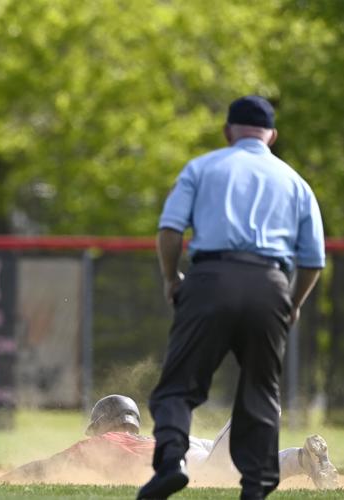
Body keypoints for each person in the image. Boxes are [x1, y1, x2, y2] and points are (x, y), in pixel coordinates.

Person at [137, 96, 325, 499]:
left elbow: (170, 231)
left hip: (209, 278)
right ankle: (255, 486)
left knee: (177, 387)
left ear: (228, 132)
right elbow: (313, 259)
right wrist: (292, 304)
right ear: (271, 136)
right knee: (261, 390)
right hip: (269, 282)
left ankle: (171, 462)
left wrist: (172, 280)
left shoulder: (203, 168)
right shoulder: (295, 182)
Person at [0, 395, 338, 489]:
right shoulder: (144, 438)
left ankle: (262, 402)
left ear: (103, 424)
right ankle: (299, 459)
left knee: (223, 475)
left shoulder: (105, 443)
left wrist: (6, 479)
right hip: (191, 446)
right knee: (236, 470)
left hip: (191, 462)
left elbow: (48, 467)